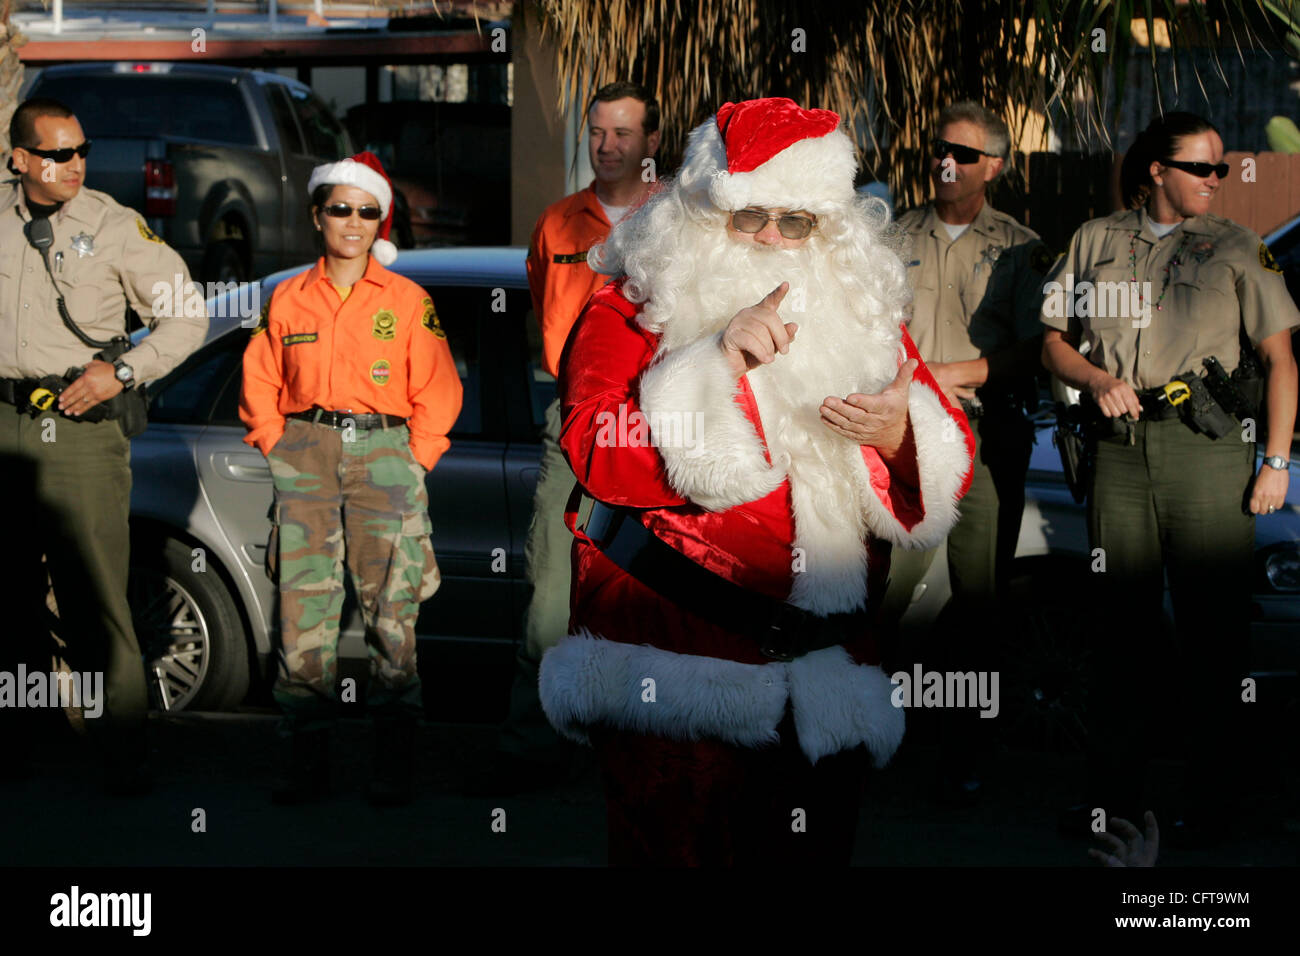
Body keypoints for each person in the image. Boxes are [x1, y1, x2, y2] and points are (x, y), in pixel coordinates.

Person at [538, 97, 975, 865]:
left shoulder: (864, 317)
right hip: (674, 677)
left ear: (826, 231)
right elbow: (596, 450)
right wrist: (715, 362)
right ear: (703, 215)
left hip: (823, 691)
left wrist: (897, 436)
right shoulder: (631, 308)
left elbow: (943, 447)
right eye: (750, 217)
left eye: (796, 222)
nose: (773, 238)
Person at [1041, 112, 1299, 840]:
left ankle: (1213, 805)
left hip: (1206, 451)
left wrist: (1273, 462)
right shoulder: (1094, 239)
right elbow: (1053, 343)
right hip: (1119, 450)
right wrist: (1094, 379)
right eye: (1201, 168)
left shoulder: (1238, 247)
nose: (1216, 181)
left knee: (1213, 634)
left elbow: (1282, 361)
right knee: (1118, 630)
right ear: (1157, 170)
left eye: (1221, 168)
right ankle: (1114, 805)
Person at [240, 151, 462, 806]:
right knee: (303, 619)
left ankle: (393, 771)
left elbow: (441, 391)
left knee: (393, 620)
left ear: (379, 219)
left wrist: (413, 459)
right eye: (341, 209)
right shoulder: (286, 297)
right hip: (306, 452)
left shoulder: (408, 301)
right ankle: (306, 769)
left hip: (385, 457)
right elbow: (259, 383)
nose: (354, 221)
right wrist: (282, 447)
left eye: (368, 211)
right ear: (318, 216)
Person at [0, 97, 208, 794]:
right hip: (3, 424)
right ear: (20, 158)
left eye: (81, 150)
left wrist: (122, 371)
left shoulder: (114, 226)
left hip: (80, 427)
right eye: (57, 154)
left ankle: (120, 746)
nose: (75, 165)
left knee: (91, 594)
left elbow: (186, 316)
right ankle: (23, 739)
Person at [474, 82, 661, 793]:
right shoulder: (556, 224)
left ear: (649, 141)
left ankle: (645, 754)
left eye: (623, 133)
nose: (607, 146)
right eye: (597, 132)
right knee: (551, 596)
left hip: (658, 426)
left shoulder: (682, 220)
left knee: (649, 595)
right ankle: (529, 751)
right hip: (572, 422)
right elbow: (536, 318)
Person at [887, 101, 1052, 805]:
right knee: (885, 595)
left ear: (996, 166)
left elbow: (1035, 350)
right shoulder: (891, 237)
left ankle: (966, 758)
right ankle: (865, 738)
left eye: (964, 151)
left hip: (985, 436)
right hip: (901, 433)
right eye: (938, 148)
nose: (946, 161)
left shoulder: (1021, 247)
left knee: (979, 604)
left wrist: (953, 375)